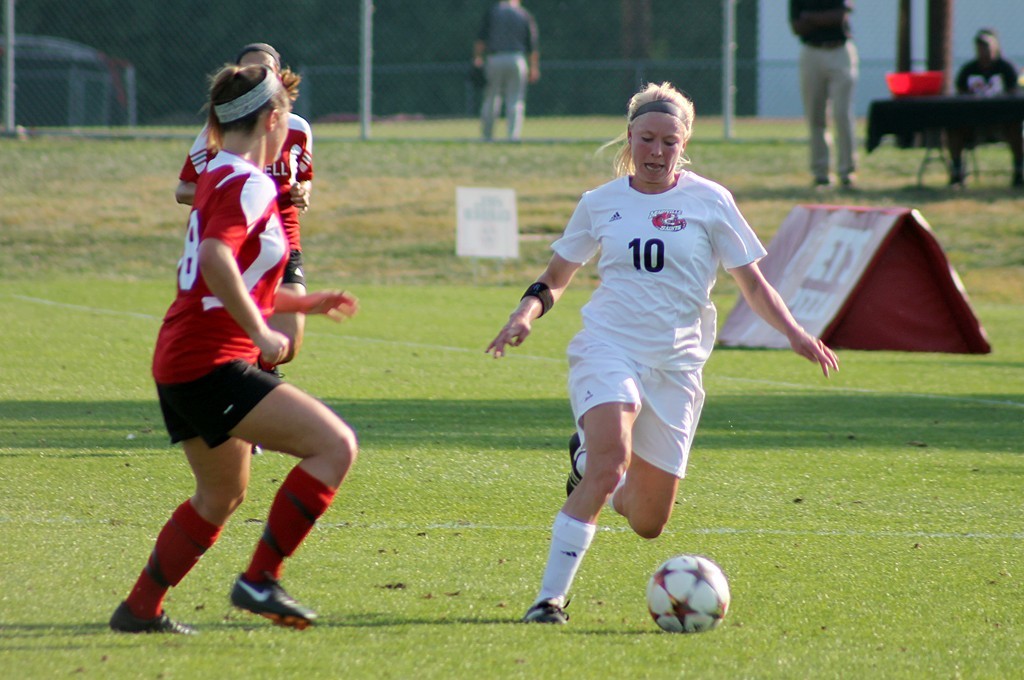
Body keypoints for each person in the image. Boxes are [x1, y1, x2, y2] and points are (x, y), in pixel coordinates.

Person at [486, 82, 839, 625]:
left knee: (649, 521)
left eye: (668, 141)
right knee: (610, 463)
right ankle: (549, 600)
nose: (656, 151)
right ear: (629, 138)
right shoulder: (599, 203)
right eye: (646, 139)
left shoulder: (710, 200)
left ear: (684, 143)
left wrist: (793, 332)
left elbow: (753, 284)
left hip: (677, 366)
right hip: (609, 348)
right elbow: (556, 278)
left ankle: (588, 462)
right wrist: (523, 315)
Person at [110, 63, 359, 634]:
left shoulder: (220, 173)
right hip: (209, 361)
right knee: (334, 446)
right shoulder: (247, 182)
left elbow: (225, 276)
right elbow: (219, 262)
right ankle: (260, 579)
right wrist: (264, 332)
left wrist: (301, 304)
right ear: (274, 120)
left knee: (221, 494)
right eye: (285, 116)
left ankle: (140, 608)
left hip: (181, 356)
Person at [176, 43, 315, 370]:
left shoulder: (296, 129)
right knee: (255, 336)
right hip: (239, 239)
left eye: (266, 71)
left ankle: (253, 379)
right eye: (250, 72)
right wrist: (223, 201)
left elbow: (304, 175)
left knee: (287, 341)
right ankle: (252, 382)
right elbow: (184, 188)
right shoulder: (232, 154)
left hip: (283, 238)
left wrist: (302, 191)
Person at [789, 0, 858, 189]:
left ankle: (847, 172)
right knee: (815, 116)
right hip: (812, 51)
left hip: (840, 50)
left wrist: (811, 17)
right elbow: (797, 27)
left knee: (842, 114)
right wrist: (823, 19)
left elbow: (839, 17)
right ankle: (821, 173)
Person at [946, 28, 1024, 188]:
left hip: (1002, 123)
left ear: (995, 46)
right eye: (980, 47)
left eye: (987, 46)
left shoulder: (1007, 69)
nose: (984, 50)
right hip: (973, 124)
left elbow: (1014, 93)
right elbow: (960, 94)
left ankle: (1019, 171)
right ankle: (957, 173)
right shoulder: (968, 70)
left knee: (1017, 128)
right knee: (953, 129)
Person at [473, 0, 540, 142]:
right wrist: (533, 67)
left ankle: (487, 137)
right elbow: (532, 46)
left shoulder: (493, 12)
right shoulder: (524, 14)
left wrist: (478, 58)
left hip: (495, 58)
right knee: (515, 99)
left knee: (491, 98)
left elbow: (481, 39)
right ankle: (513, 137)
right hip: (517, 59)